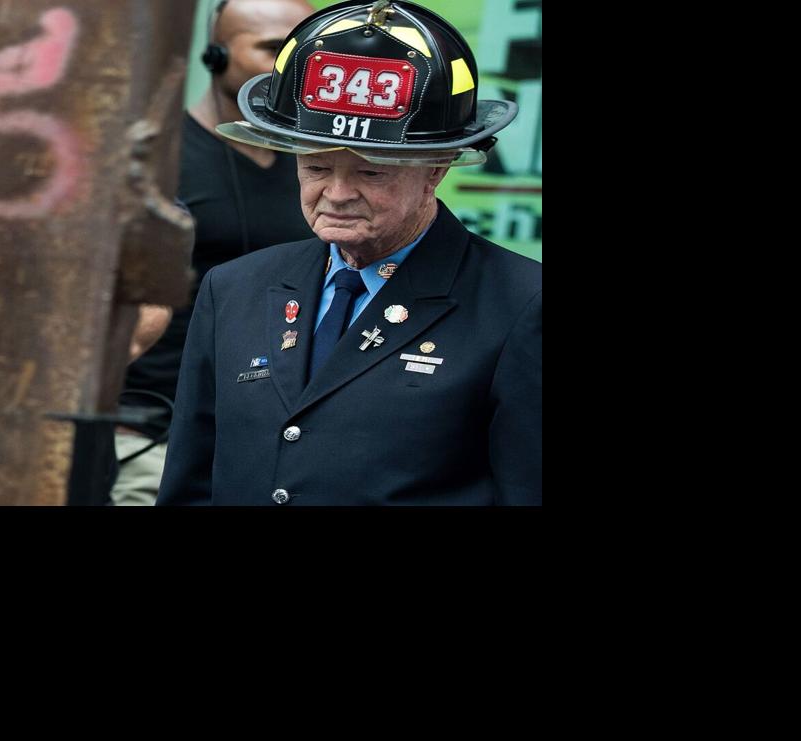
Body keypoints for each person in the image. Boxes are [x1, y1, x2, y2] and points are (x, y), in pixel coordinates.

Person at [157, 0, 541, 506]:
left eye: (372, 171)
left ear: (437, 169)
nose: (336, 194)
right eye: (316, 167)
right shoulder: (233, 289)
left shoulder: (521, 304)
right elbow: (191, 484)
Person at [110, 0, 319, 506]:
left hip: (273, 436)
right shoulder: (157, 159)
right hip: (152, 432)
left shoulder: (321, 170)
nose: (293, 68)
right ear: (216, 55)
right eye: (274, 49)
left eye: (305, 53)